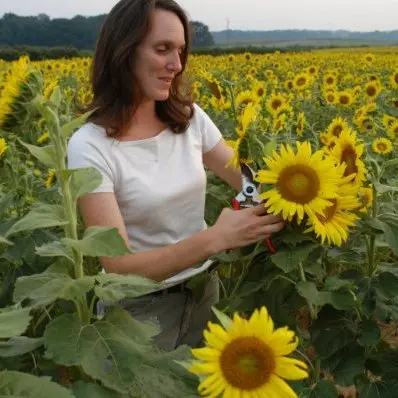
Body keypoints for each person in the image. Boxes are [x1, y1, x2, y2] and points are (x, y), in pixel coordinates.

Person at [67, 0, 285, 351]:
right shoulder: (89, 146)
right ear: (123, 52)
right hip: (140, 313)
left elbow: (246, 180)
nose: (176, 64)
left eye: (181, 50)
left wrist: (303, 191)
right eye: (162, 49)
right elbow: (119, 266)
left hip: (204, 292)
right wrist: (216, 238)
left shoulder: (188, 118)